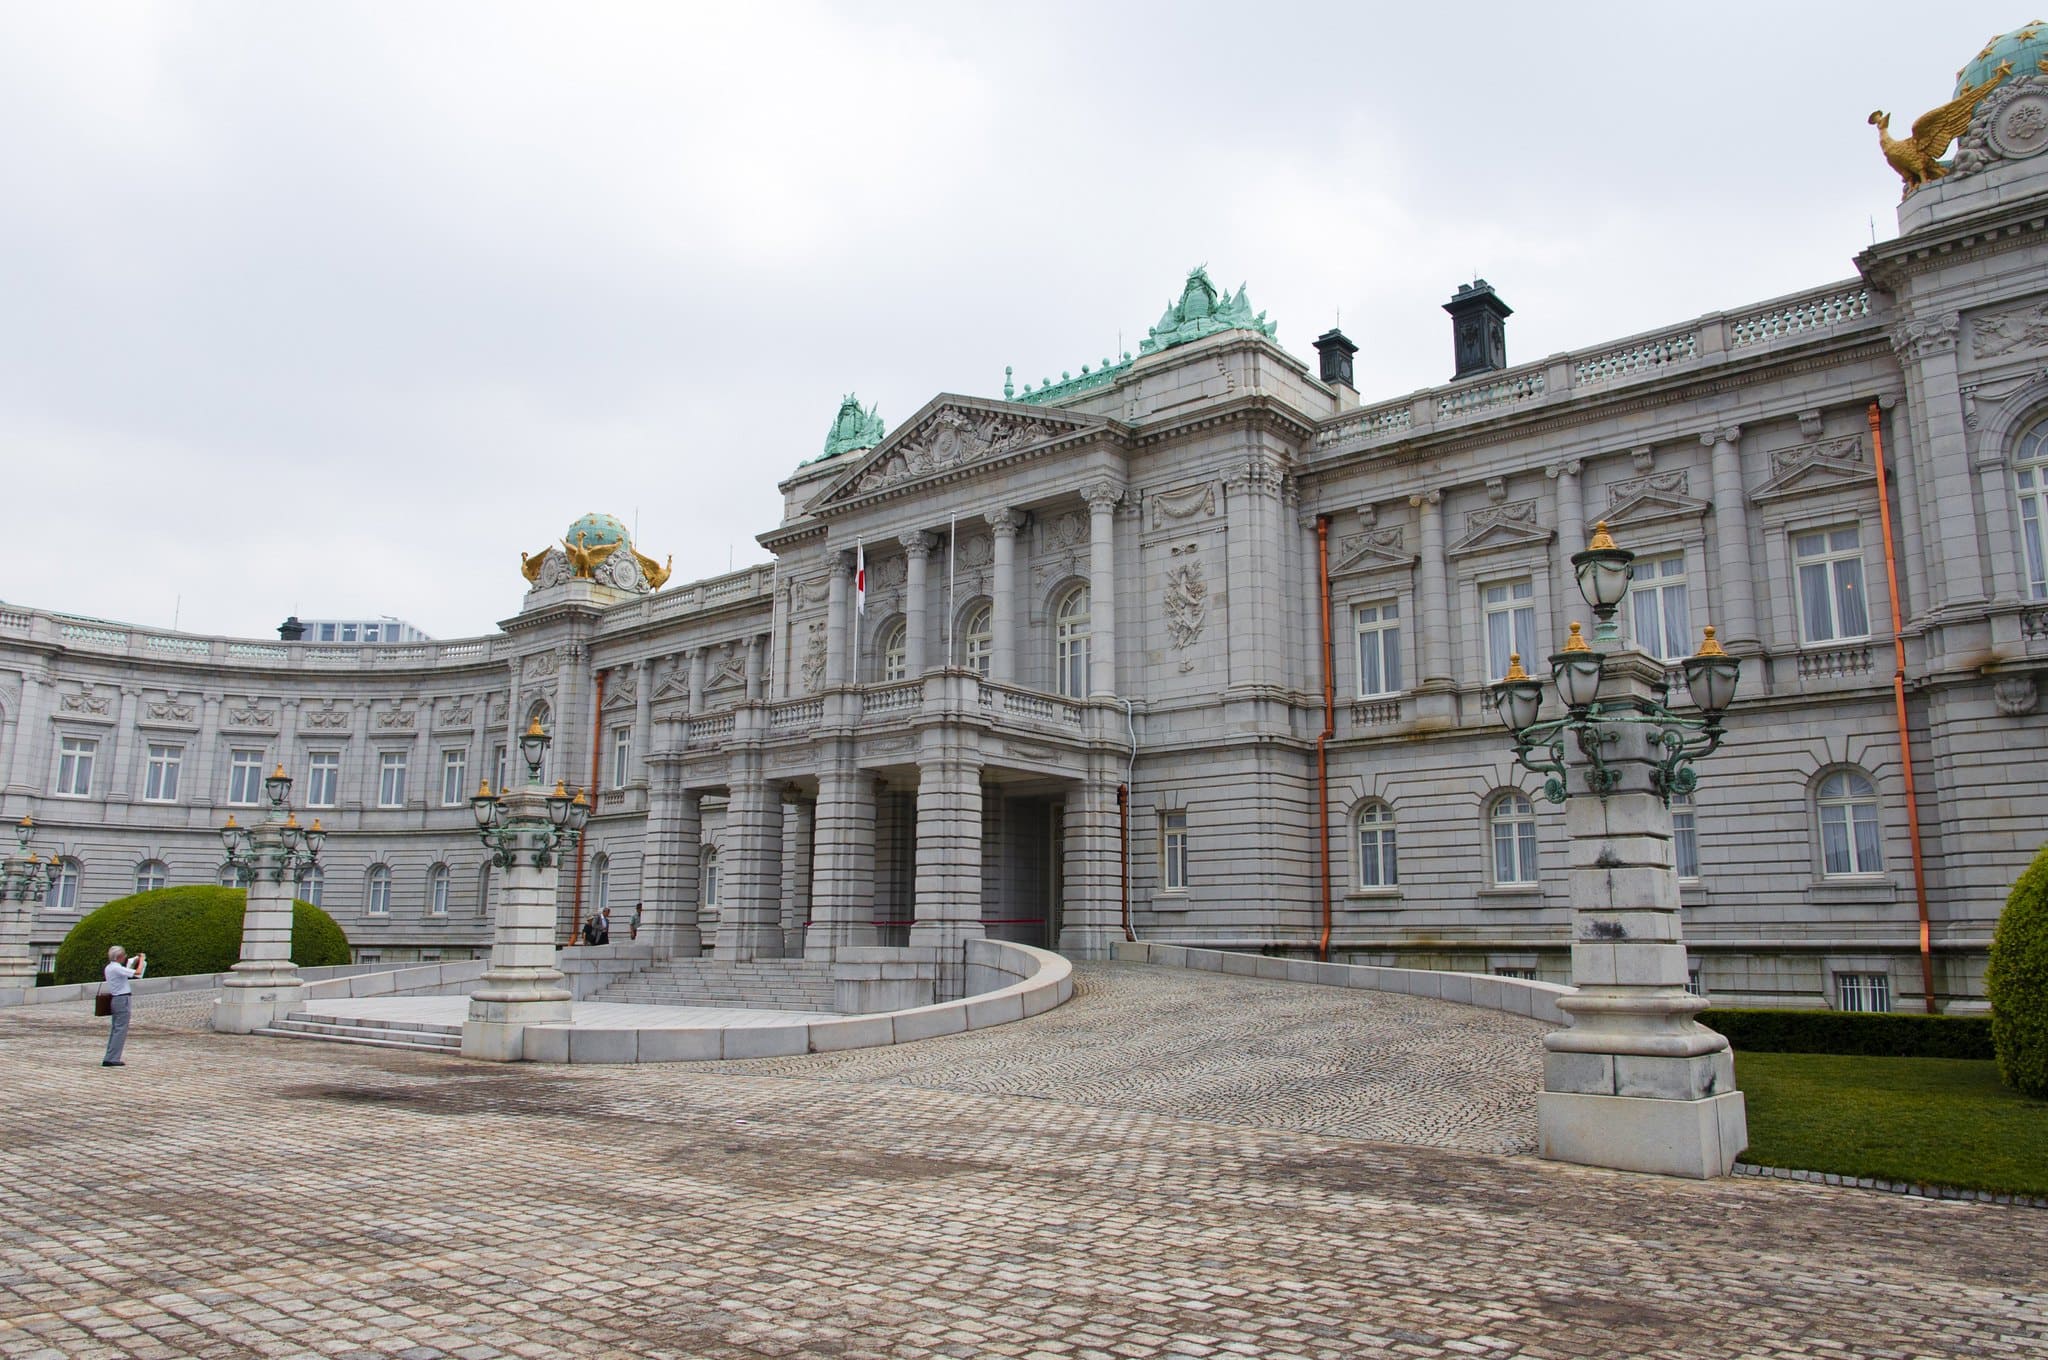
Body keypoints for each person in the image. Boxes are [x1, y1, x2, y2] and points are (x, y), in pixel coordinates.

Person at [102, 945, 146, 1067]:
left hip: (116, 998)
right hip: (122, 999)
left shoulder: (109, 967)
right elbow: (138, 972)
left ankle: (110, 1056)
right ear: (119, 956)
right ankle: (113, 1058)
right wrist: (141, 959)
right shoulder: (116, 968)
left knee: (116, 1029)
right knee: (120, 1029)